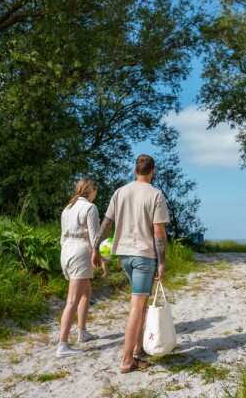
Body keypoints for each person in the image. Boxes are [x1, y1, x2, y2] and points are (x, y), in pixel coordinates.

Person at [96, 154, 169, 373]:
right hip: (143, 256)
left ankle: (138, 351)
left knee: (141, 302)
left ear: (135, 170)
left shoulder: (120, 192)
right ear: (152, 171)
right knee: (137, 307)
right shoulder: (155, 194)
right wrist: (162, 261)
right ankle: (127, 360)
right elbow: (158, 231)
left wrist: (95, 247)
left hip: (124, 256)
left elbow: (106, 223)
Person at [56, 178, 104, 357]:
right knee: (72, 300)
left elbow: (62, 236)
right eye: (95, 191)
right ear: (91, 190)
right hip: (80, 252)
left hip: (66, 251)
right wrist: (99, 256)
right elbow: (95, 238)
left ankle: (82, 331)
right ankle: (62, 344)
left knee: (86, 291)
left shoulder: (67, 208)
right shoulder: (90, 208)